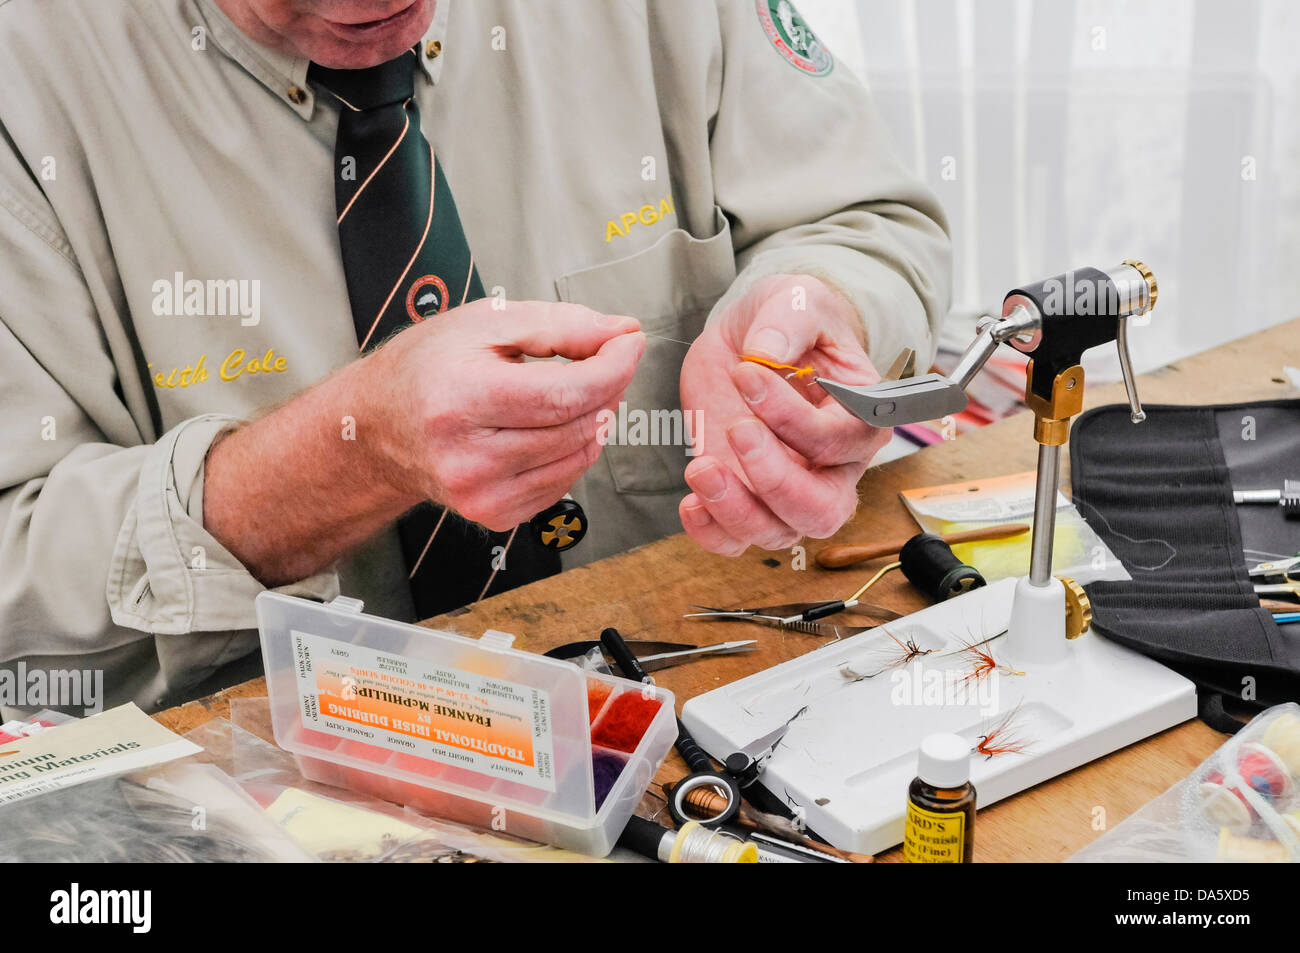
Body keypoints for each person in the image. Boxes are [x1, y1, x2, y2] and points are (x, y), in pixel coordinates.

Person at [0, 0, 950, 712]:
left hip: (708, 704)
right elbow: (19, 590)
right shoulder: (27, 82)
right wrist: (348, 453)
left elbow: (865, 220)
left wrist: (815, 317)